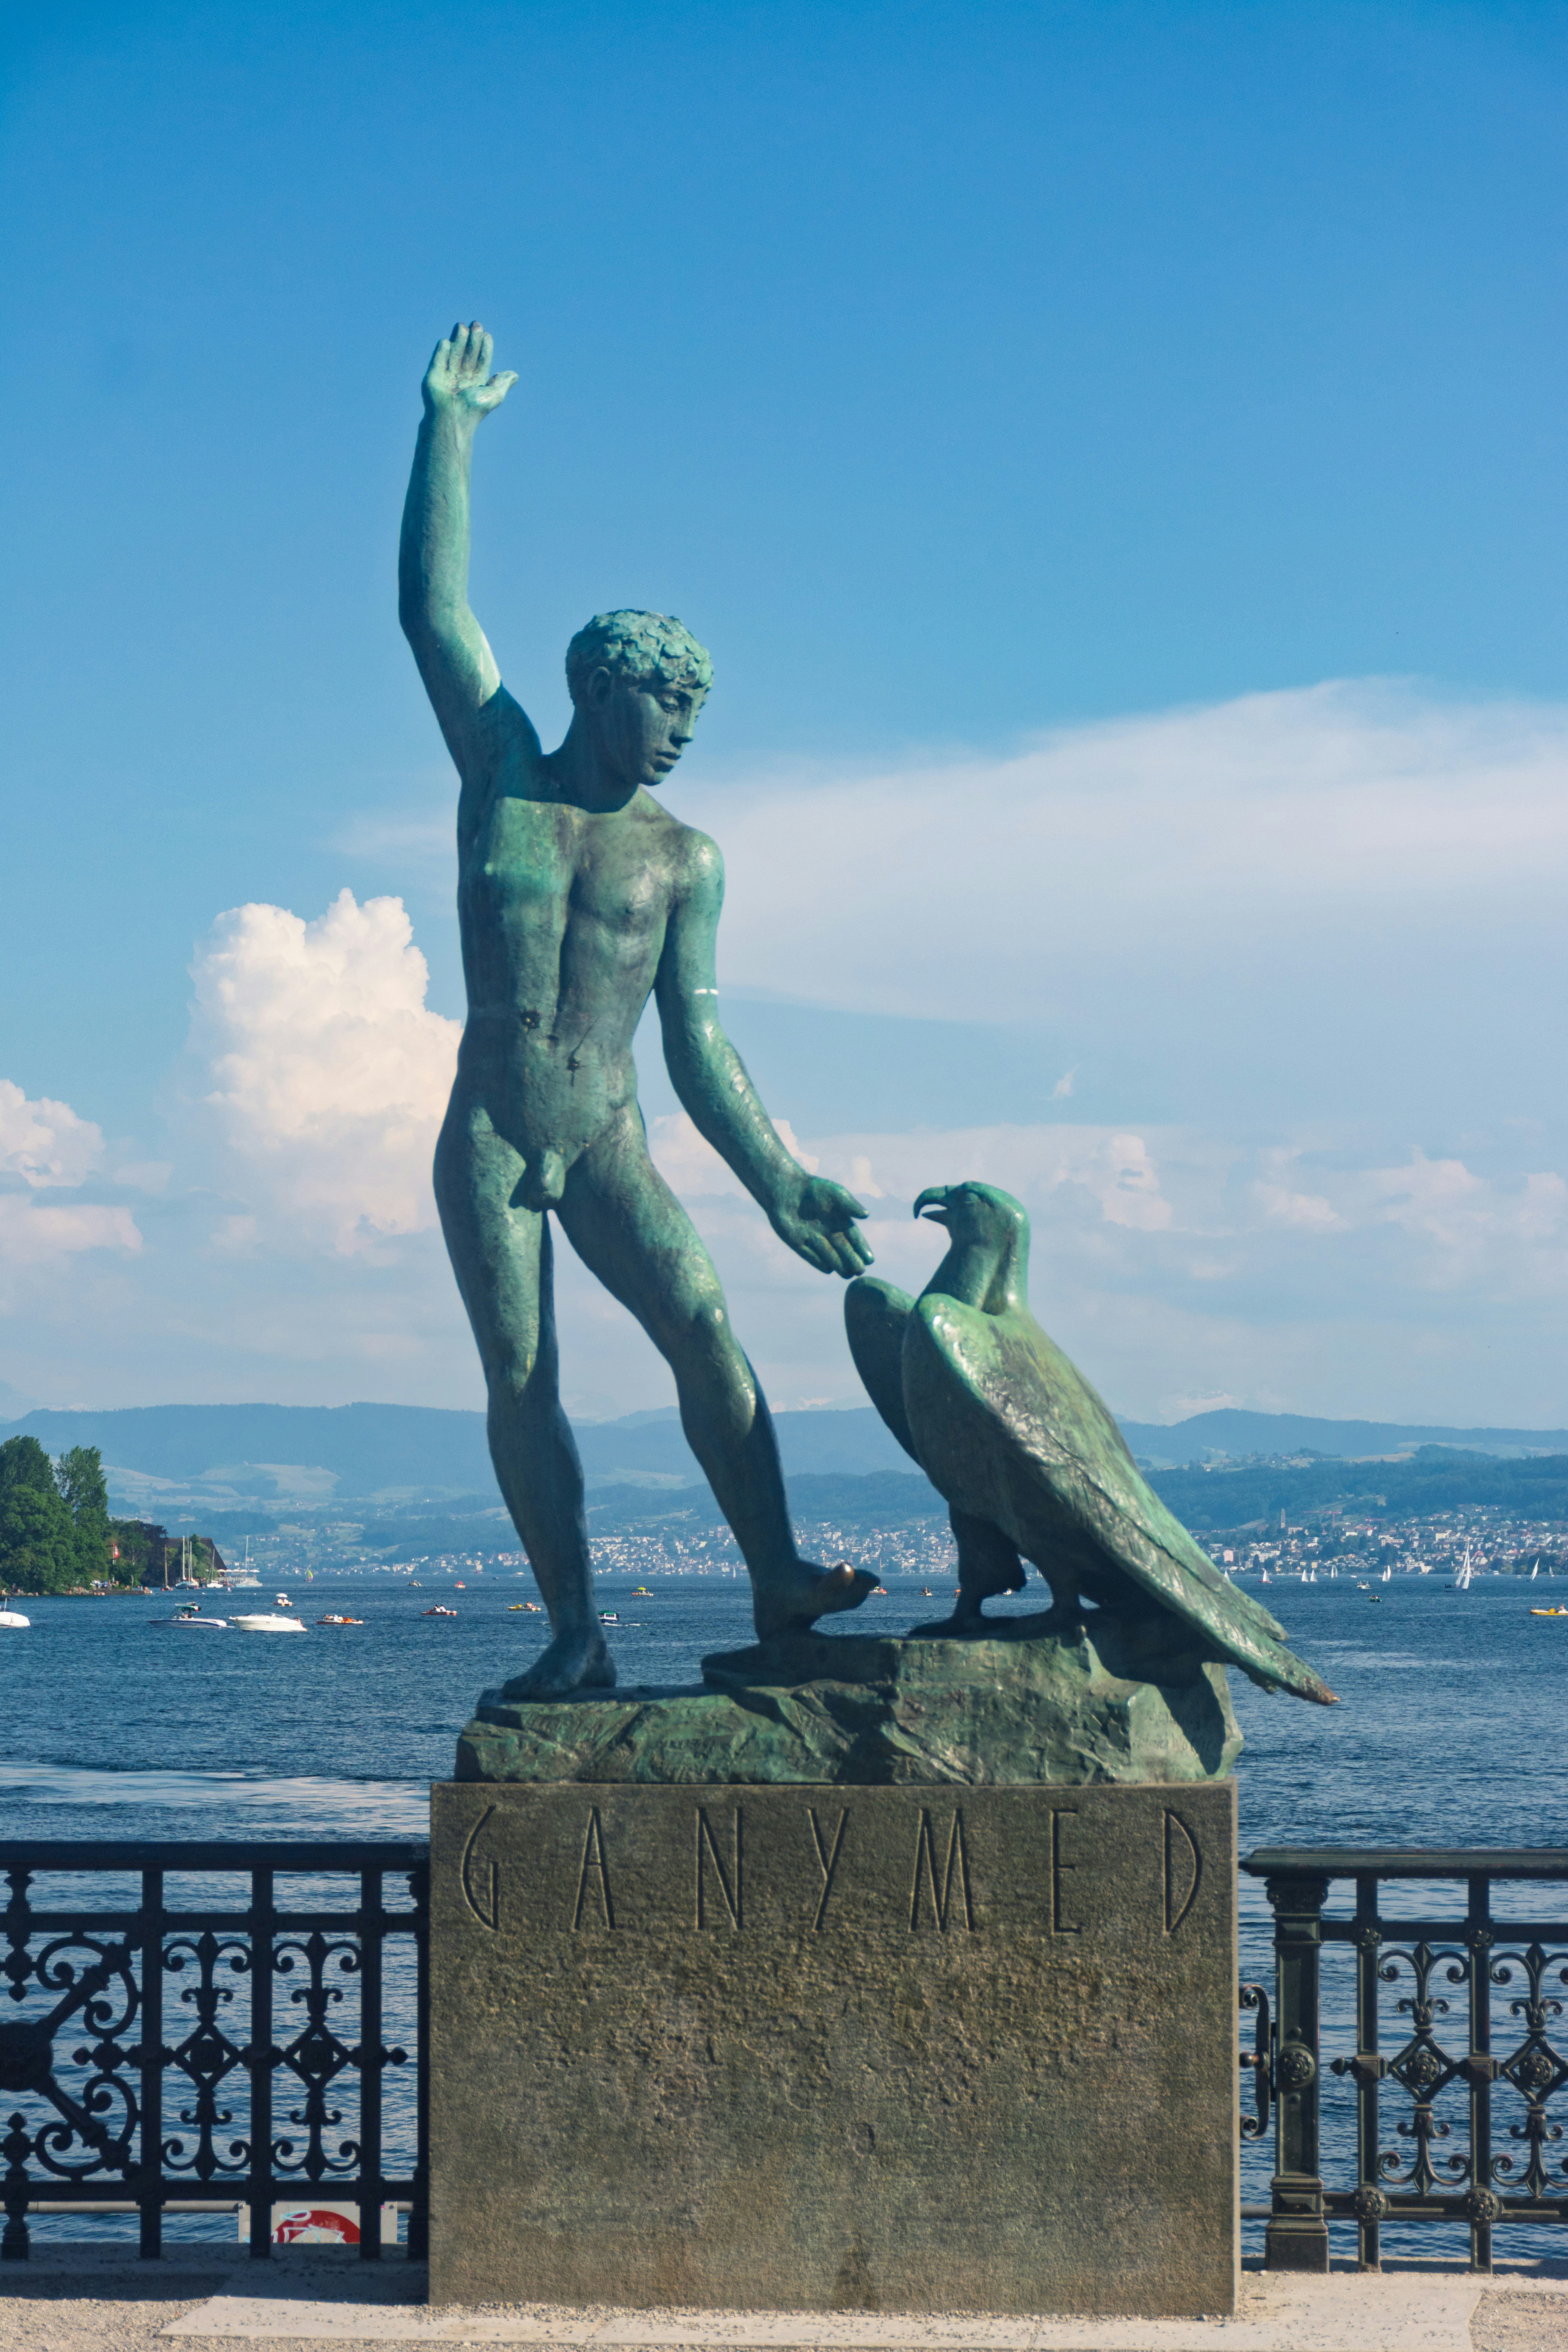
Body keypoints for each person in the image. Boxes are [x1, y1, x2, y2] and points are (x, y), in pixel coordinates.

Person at [399, 323, 878, 1696]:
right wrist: (448, 431)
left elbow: (698, 1043)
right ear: (600, 691)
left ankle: (777, 1574)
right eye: (667, 704)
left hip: (606, 1131)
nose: (682, 731)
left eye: (693, 712)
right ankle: (576, 1633)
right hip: (492, 1125)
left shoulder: (684, 860)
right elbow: (432, 615)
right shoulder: (501, 774)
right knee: (522, 1379)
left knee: (704, 1324)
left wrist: (779, 1178)